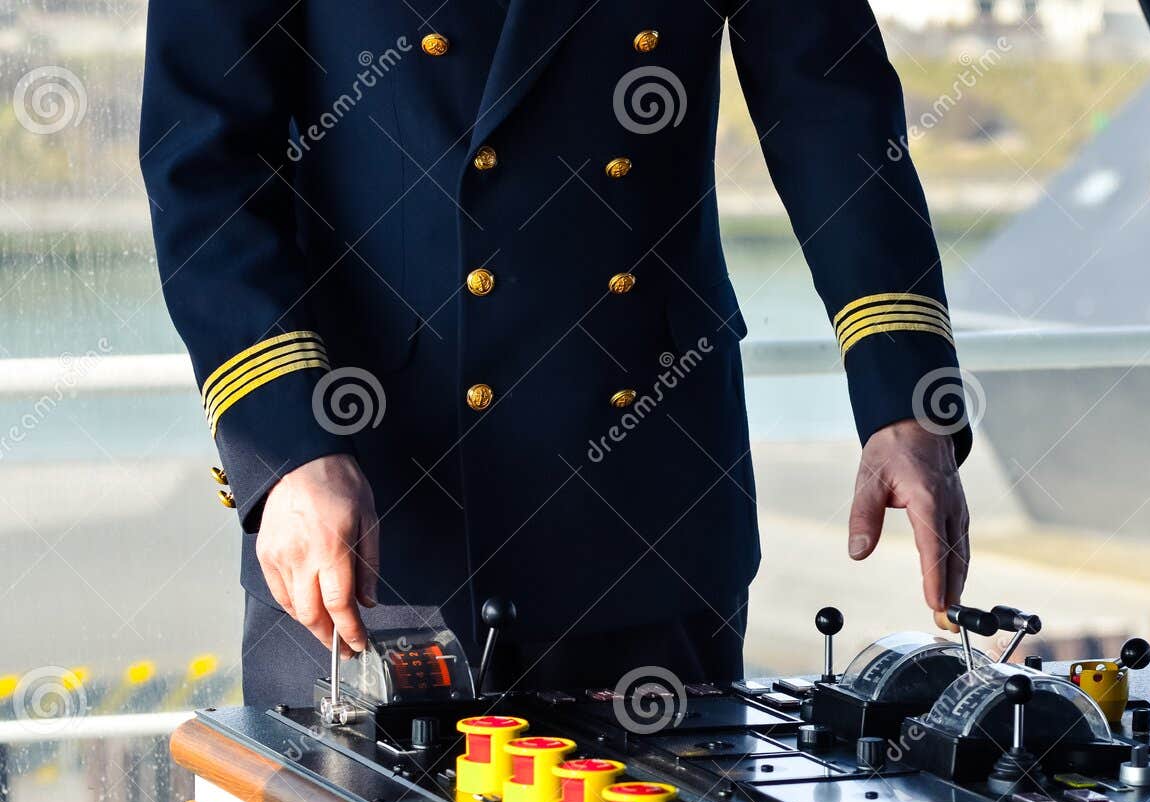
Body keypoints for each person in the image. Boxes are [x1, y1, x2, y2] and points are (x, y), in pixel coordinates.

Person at [141, 2, 971, 704]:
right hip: (367, 510)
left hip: (643, 506)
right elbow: (204, 164)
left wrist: (905, 399)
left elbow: (831, 111)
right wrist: (287, 445)